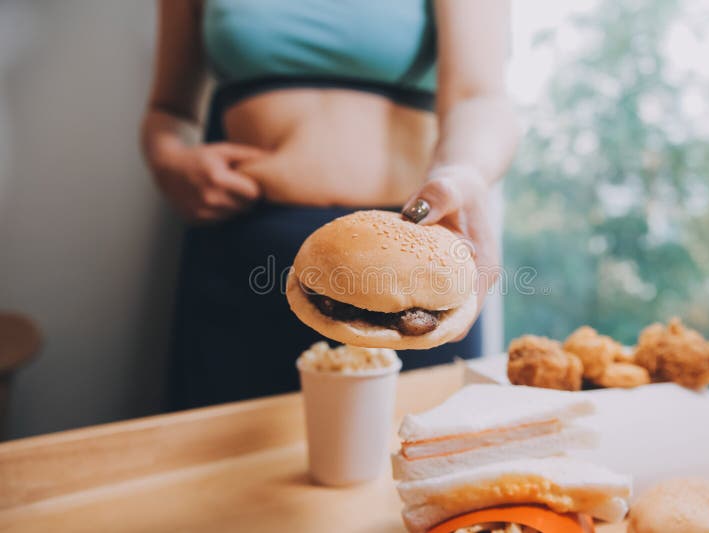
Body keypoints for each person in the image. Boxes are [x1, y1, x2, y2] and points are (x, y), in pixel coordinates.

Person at [140, 0, 519, 410]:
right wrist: (170, 160)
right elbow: (169, 111)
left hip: (416, 273)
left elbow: (480, 97)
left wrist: (464, 174)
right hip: (240, 250)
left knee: (419, 441)